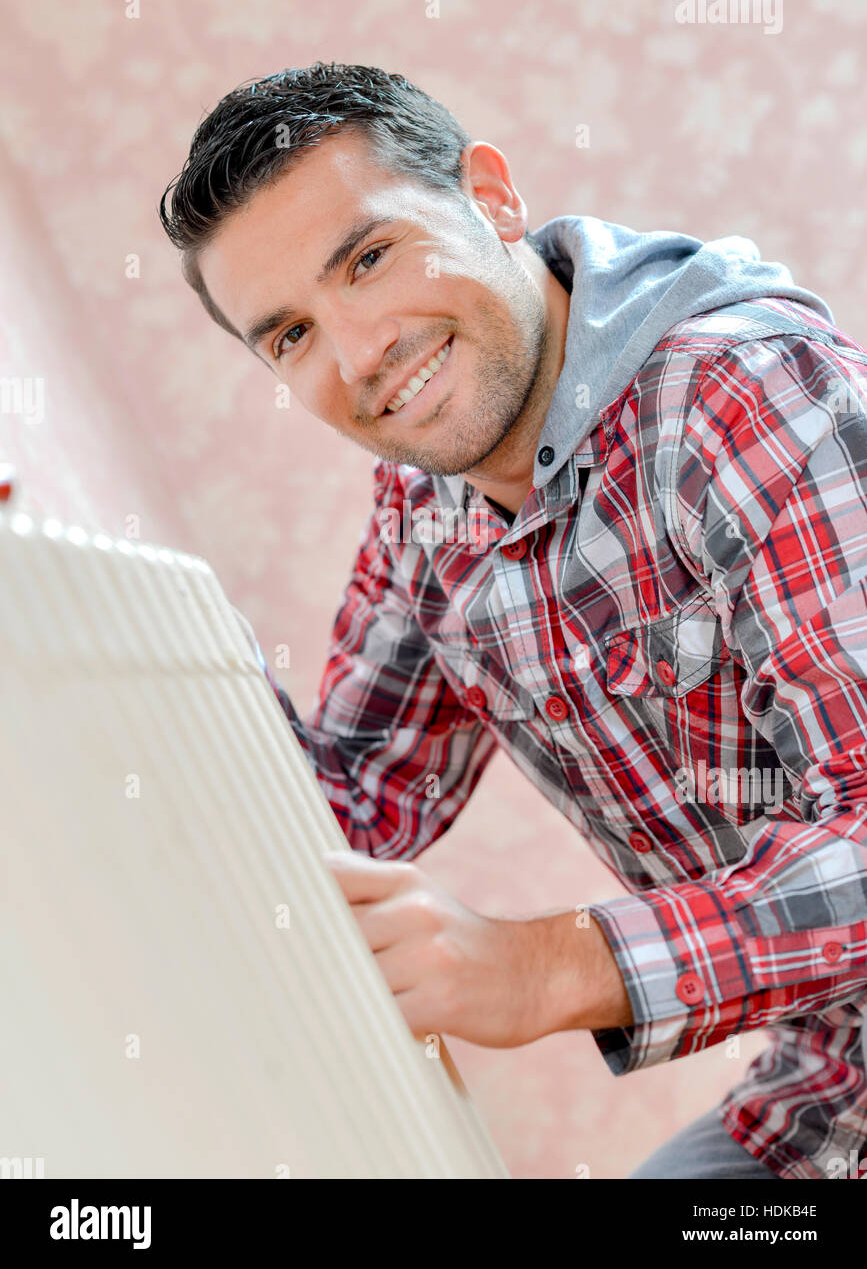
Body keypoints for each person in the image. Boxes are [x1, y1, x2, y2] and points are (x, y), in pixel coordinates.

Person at [160, 61, 867, 1180]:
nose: (358, 354)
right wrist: (129, 657)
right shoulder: (428, 507)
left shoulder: (745, 395)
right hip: (833, 1091)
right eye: (290, 334)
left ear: (490, 196)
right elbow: (347, 798)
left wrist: (545, 967)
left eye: (369, 257)